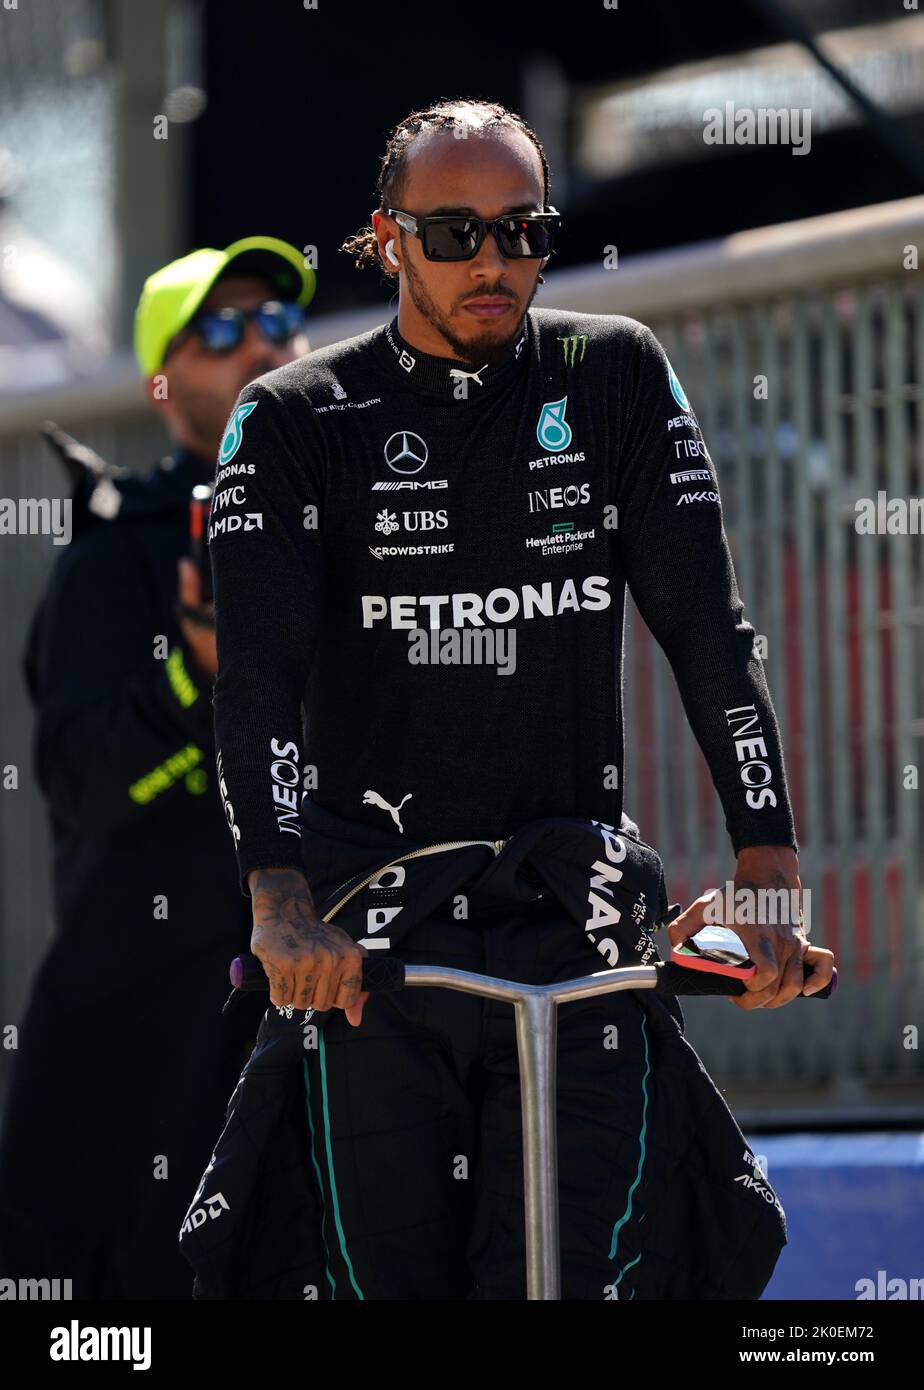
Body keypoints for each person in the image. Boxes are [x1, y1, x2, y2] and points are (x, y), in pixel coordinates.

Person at [207, 101, 836, 1300]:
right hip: (371, 935)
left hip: (573, 918)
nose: (493, 262)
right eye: (451, 234)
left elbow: (709, 630)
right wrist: (281, 902)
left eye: (523, 229)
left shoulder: (613, 372)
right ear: (387, 239)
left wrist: (770, 871)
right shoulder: (292, 419)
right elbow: (260, 679)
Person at [0, 236, 315, 1298]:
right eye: (220, 331)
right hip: (138, 1059)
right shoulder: (116, 552)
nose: (260, 346)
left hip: (316, 1039)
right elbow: (80, 780)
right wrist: (195, 676)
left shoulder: (359, 539)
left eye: (276, 321)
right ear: (161, 382)